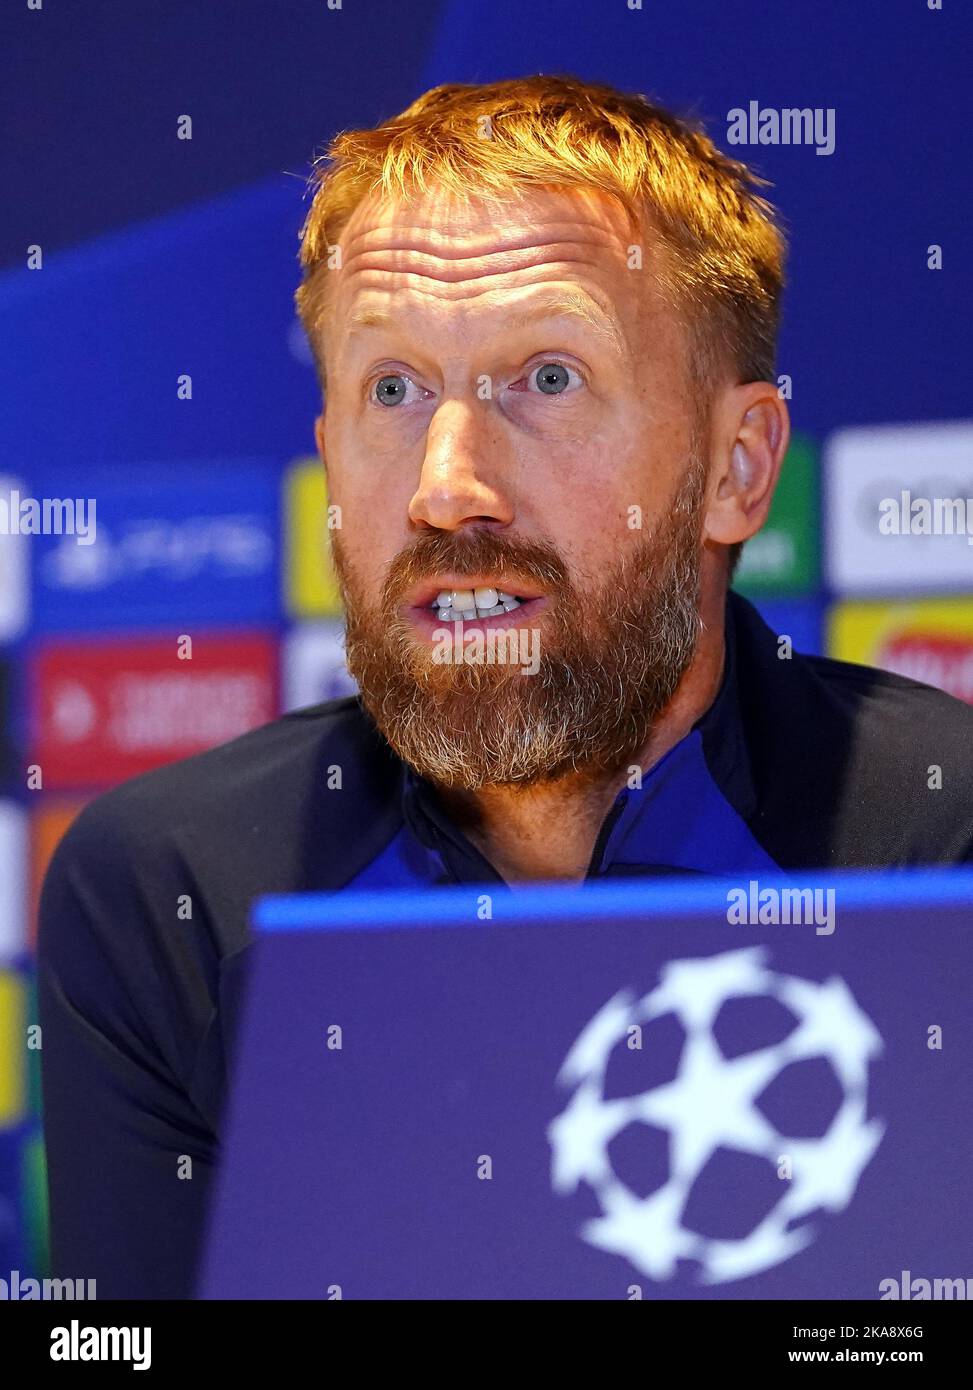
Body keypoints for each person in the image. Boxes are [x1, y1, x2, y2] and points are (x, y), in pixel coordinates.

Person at [38, 74, 973, 1300]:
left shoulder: (940, 838)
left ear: (734, 469)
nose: (446, 485)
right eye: (391, 389)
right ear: (328, 458)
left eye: (545, 378)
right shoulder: (164, 889)